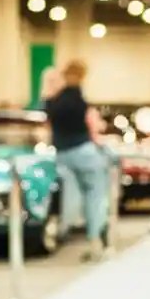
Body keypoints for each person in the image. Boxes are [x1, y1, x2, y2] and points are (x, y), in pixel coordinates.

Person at [45, 60, 110, 262]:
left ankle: (67, 230)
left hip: (62, 154)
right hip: (83, 151)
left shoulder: (54, 100)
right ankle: (96, 238)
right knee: (95, 195)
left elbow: (50, 117)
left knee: (73, 197)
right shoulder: (76, 97)